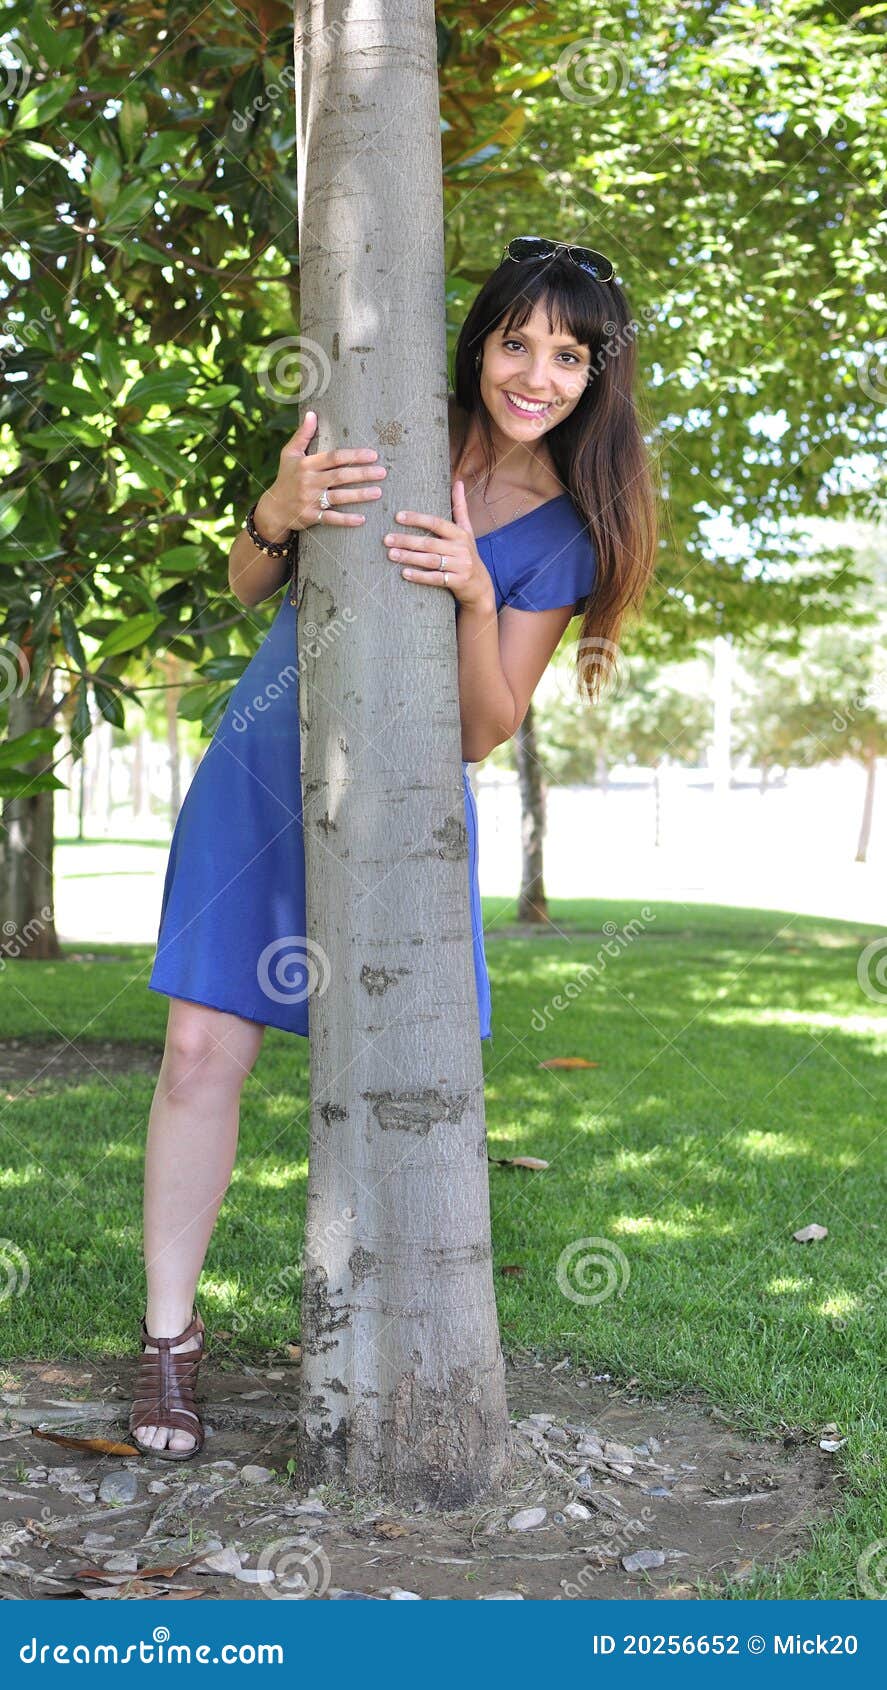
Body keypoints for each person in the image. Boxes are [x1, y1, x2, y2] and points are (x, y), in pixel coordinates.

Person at [130, 236, 657, 1457]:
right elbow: (250, 579)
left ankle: (381, 1343)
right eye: (515, 341)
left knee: (396, 1079)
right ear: (476, 340)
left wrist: (477, 593)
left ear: (596, 377)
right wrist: (276, 509)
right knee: (201, 1048)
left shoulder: (568, 531)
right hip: (262, 767)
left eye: (567, 355)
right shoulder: (390, 418)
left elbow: (481, 726)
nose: (535, 373)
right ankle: (168, 1344)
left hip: (406, 818)